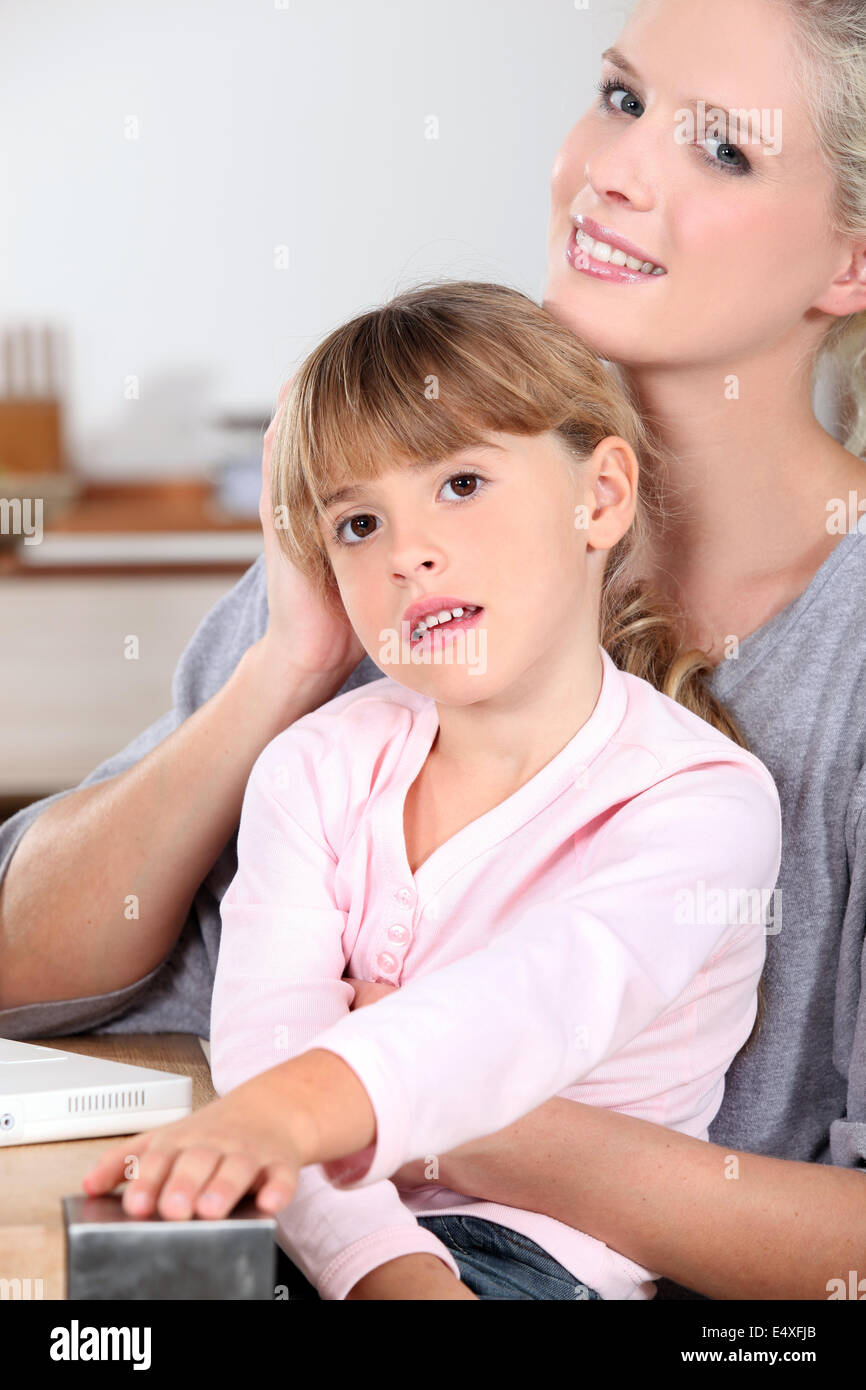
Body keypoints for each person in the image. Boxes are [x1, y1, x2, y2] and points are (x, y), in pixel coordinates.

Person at [2, 0, 866, 1300]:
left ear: (848, 263)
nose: (614, 171)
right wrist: (284, 667)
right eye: (621, 99)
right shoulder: (401, 538)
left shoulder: (809, 686)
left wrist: (408, 1103)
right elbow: (27, 972)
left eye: (721, 149)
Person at [82, 279, 781, 1302]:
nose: (407, 553)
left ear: (599, 497)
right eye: (358, 523)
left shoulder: (701, 800)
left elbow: (526, 1004)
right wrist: (385, 1264)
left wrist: (291, 1112)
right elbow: (267, 1041)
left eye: (459, 483)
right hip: (325, 1232)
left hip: (534, 1259)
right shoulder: (313, 768)